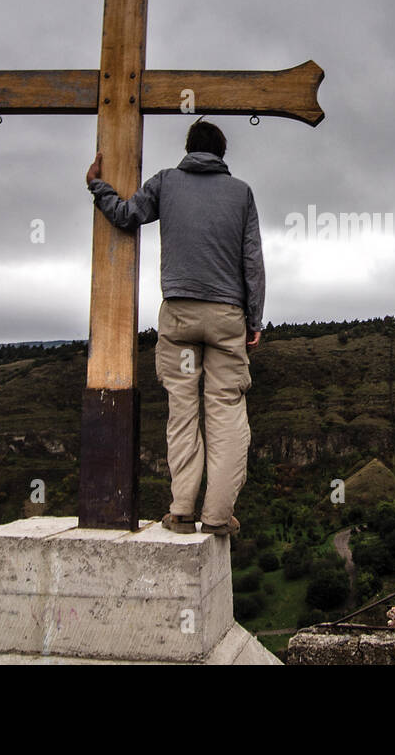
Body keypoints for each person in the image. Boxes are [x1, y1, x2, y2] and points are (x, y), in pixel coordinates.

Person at [85, 119, 263, 537]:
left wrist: (97, 185)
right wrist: (254, 320)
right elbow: (252, 262)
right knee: (226, 411)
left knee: (182, 411)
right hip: (226, 319)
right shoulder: (241, 193)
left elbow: (127, 215)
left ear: (189, 149)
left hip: (180, 317)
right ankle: (218, 516)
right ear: (222, 154)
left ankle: (181, 510)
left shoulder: (167, 182)